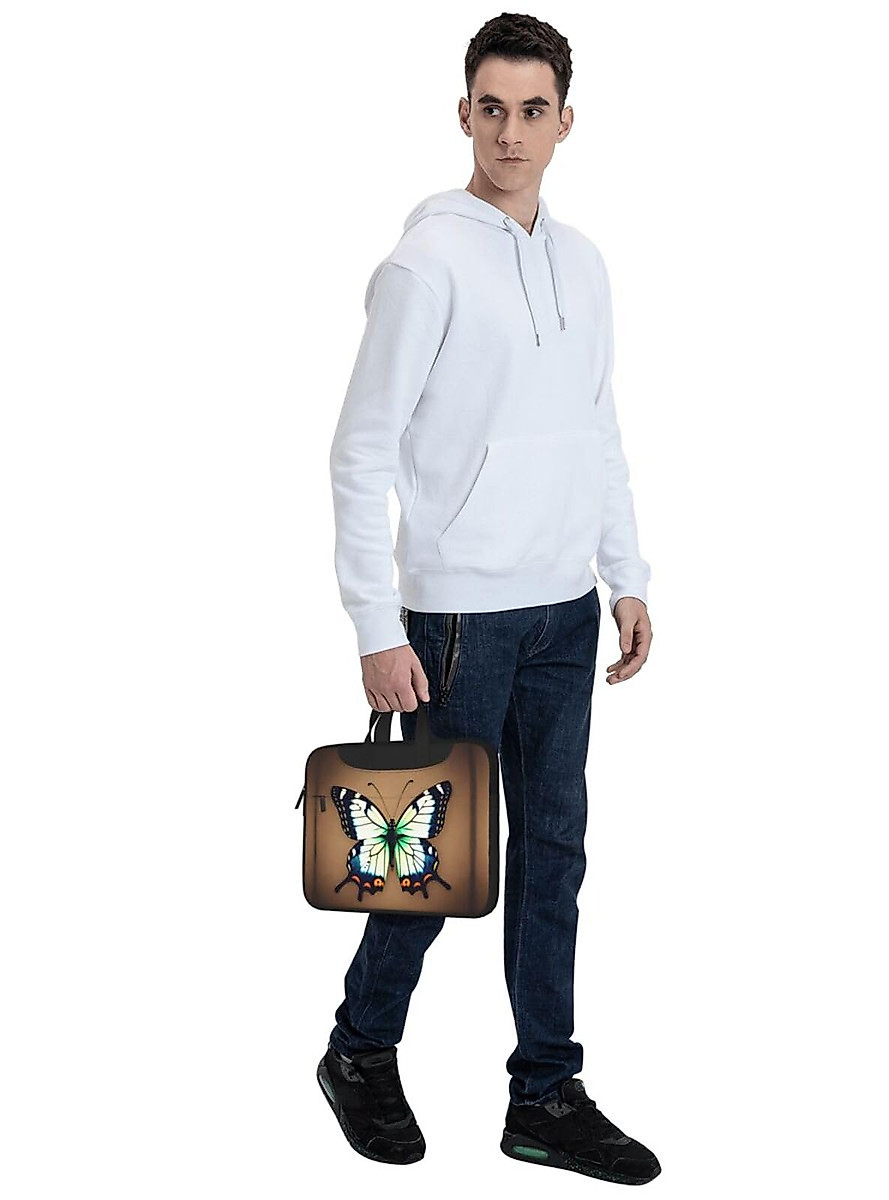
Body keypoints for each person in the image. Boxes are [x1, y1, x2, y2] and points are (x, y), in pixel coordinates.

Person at [318, 13, 659, 1186]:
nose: (512, 132)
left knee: (552, 857)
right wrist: (377, 626)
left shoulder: (585, 263)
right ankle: (360, 1051)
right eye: (493, 109)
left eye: (534, 111)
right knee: (435, 858)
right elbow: (360, 452)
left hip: (565, 611)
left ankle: (544, 1094)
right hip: (457, 621)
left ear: (566, 122)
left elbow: (597, 428)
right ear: (464, 113)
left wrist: (626, 574)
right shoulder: (426, 264)